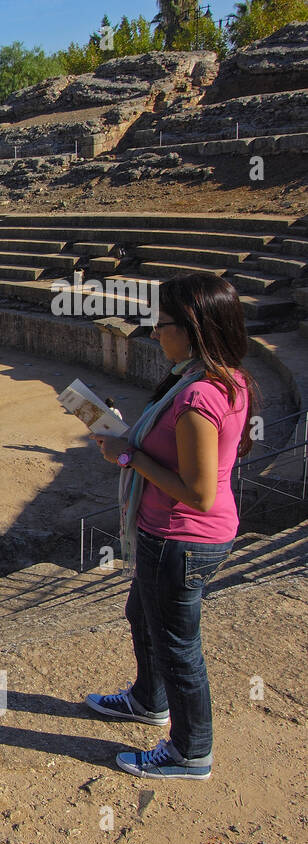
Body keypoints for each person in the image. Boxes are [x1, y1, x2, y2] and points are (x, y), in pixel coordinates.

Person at [85, 274, 256, 781]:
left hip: (181, 537)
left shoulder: (198, 397)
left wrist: (128, 454)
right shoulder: (214, 378)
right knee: (141, 613)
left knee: (178, 648)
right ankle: (146, 699)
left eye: (163, 326)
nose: (155, 334)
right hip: (172, 534)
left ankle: (190, 751)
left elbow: (199, 493)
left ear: (195, 328)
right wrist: (126, 435)